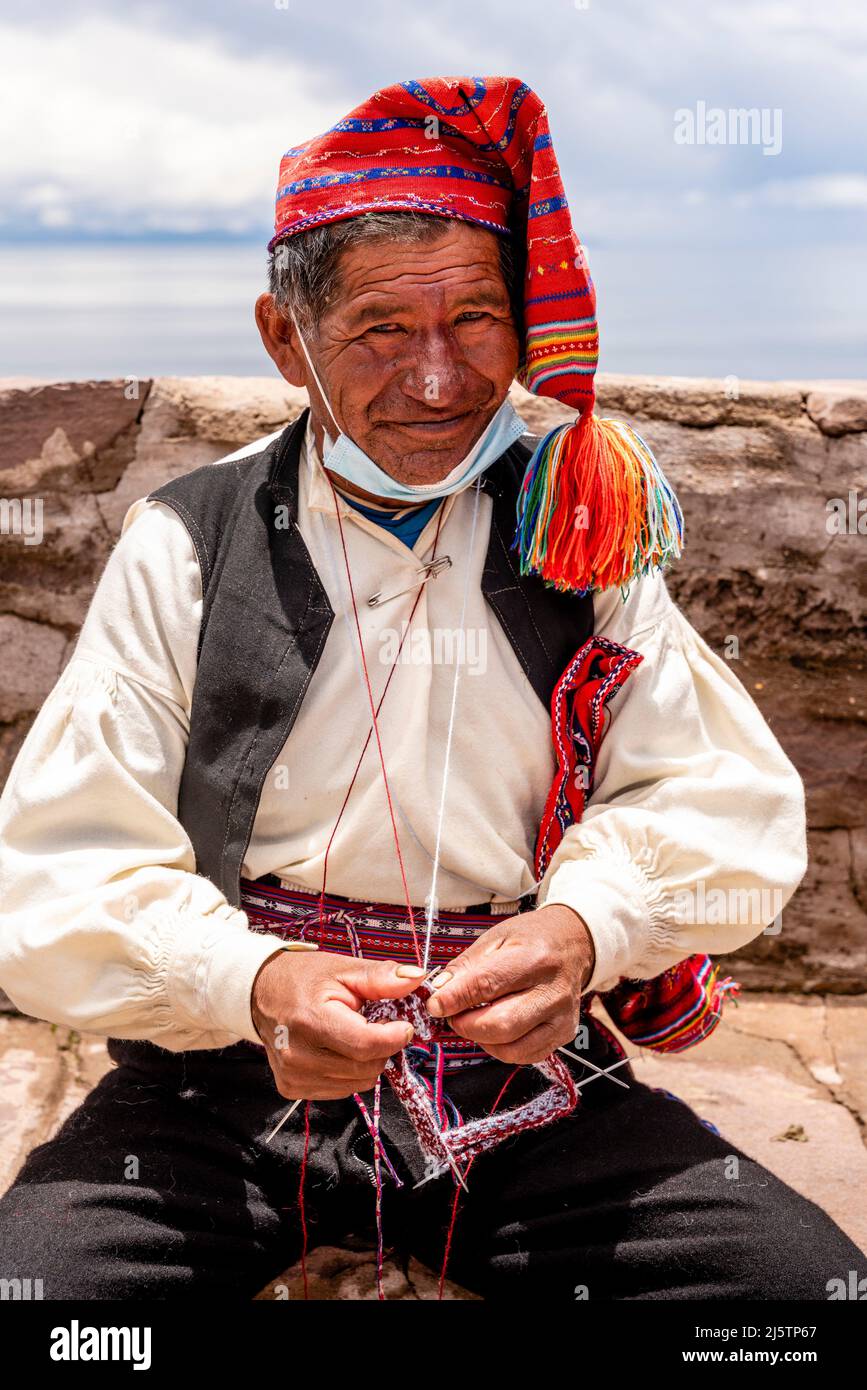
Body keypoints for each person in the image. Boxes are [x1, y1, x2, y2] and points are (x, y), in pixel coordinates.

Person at [0, 75, 863, 1300]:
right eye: (381, 330)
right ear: (283, 339)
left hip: (519, 1065)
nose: (441, 379)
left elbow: (713, 792)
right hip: (234, 1068)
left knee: (797, 1306)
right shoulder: (188, 539)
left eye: (477, 319)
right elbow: (57, 857)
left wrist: (583, 931)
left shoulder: (575, 525)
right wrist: (253, 980)